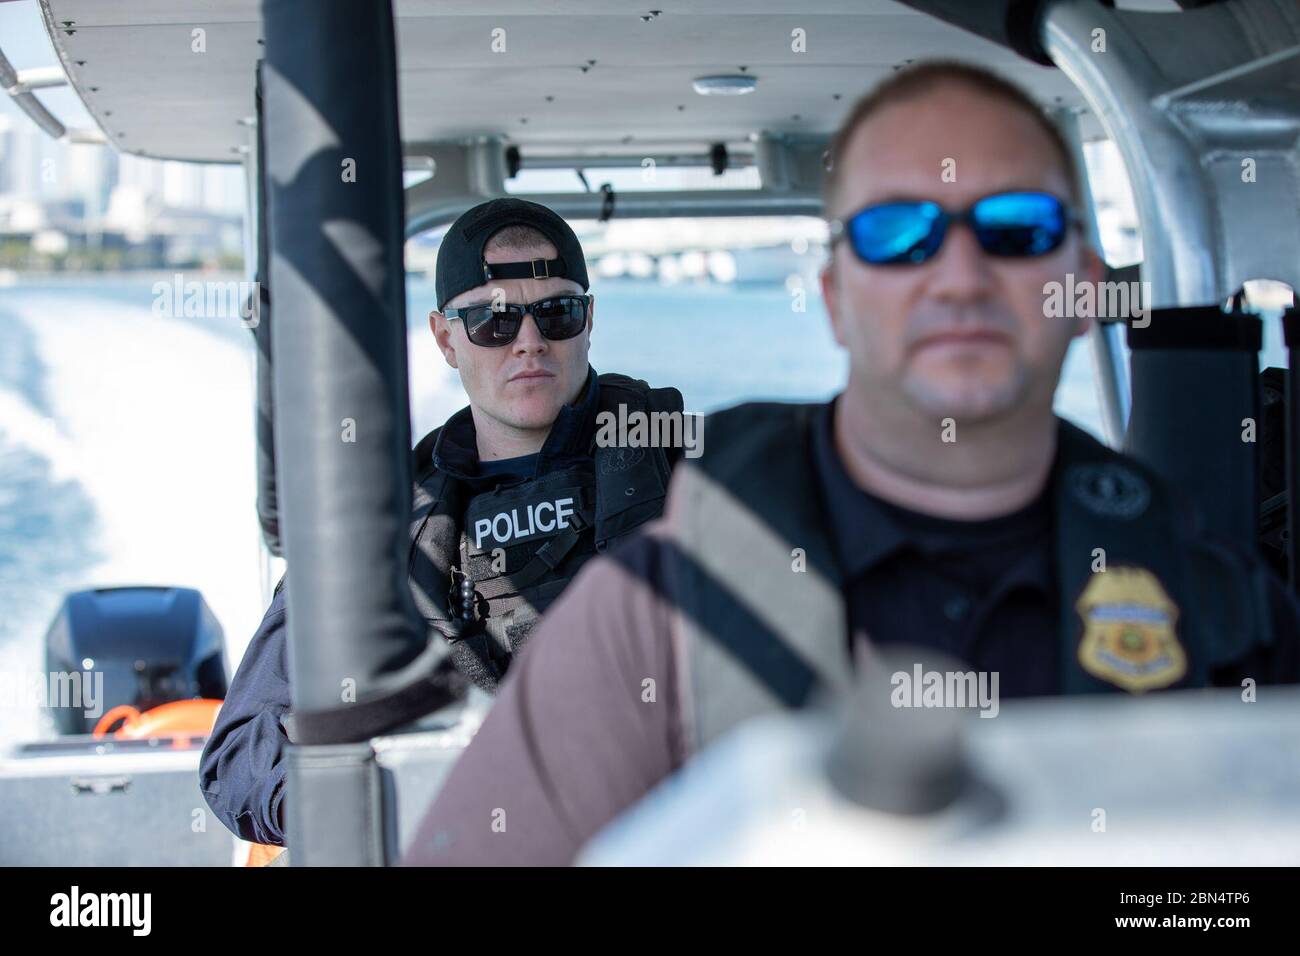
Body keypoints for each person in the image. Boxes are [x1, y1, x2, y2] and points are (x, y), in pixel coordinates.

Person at [403, 61, 1300, 866]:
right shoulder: (654, 618)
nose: (959, 276)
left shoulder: (1220, 603)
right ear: (834, 297)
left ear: (1084, 285)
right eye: (898, 232)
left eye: (1017, 229)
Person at [200, 198, 685, 847]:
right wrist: (391, 796)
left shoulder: (693, 470)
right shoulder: (383, 528)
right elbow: (239, 756)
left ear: (589, 320)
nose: (530, 341)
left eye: (557, 312)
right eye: (493, 321)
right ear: (444, 336)